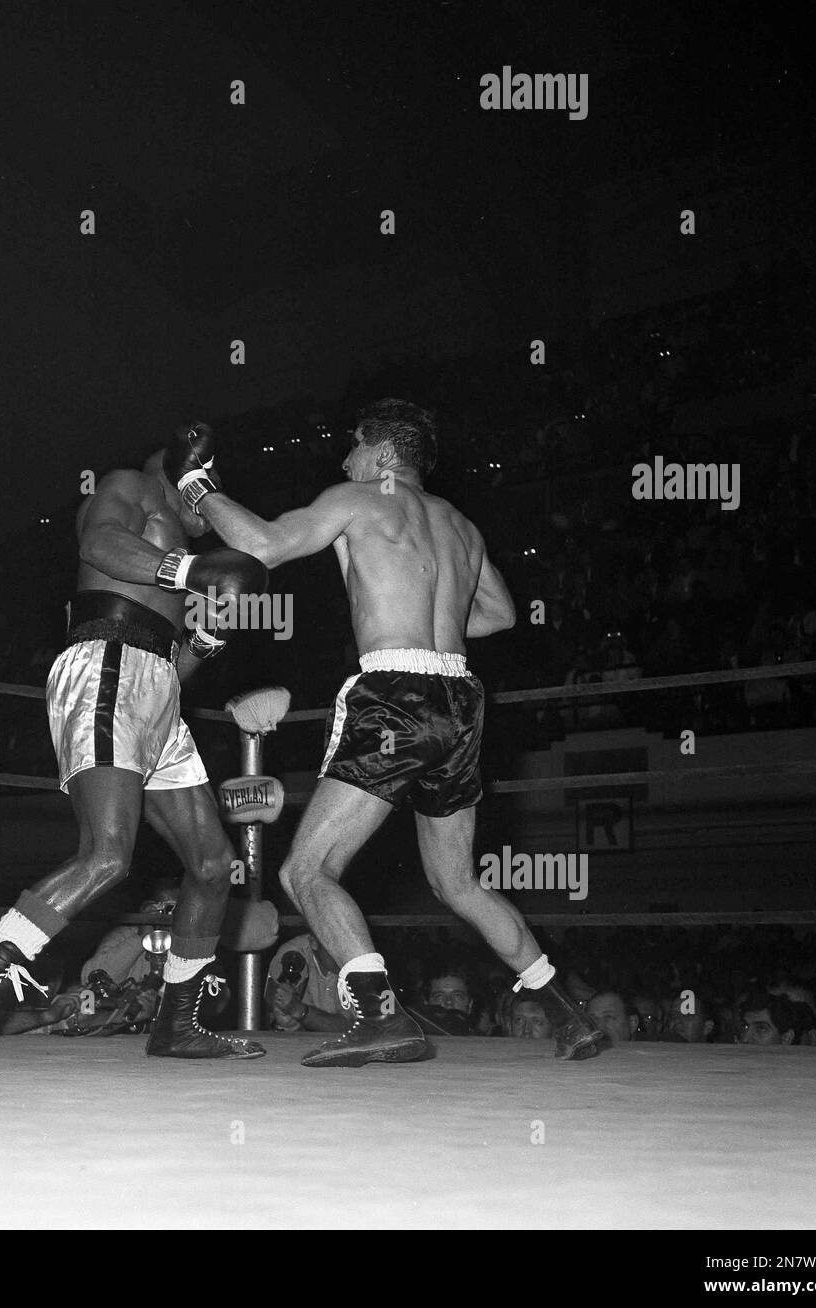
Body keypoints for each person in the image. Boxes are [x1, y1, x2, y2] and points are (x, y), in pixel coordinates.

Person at [198, 398, 605, 1065]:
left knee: (307, 870)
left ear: (384, 455)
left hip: (395, 693)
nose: (344, 459)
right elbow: (499, 616)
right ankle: (569, 1012)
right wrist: (421, 613)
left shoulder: (358, 500)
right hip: (462, 697)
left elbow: (264, 544)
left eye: (355, 446)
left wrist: (199, 489)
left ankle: (379, 1016)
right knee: (458, 882)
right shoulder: (460, 525)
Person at [0, 425, 272, 1067]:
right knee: (108, 855)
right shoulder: (129, 487)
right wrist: (191, 570)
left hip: (154, 685)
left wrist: (207, 642)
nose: (210, 505)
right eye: (205, 484)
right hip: (106, 665)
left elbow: (169, 668)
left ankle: (176, 1023)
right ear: (182, 467)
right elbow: (100, 544)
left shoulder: (178, 551)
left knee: (214, 865)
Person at [264, 931, 350, 1034]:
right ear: (314, 942)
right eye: (334, 946)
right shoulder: (293, 957)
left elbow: (350, 1027)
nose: (342, 955)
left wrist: (300, 1011)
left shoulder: (357, 958)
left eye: (345, 946)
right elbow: (274, 1016)